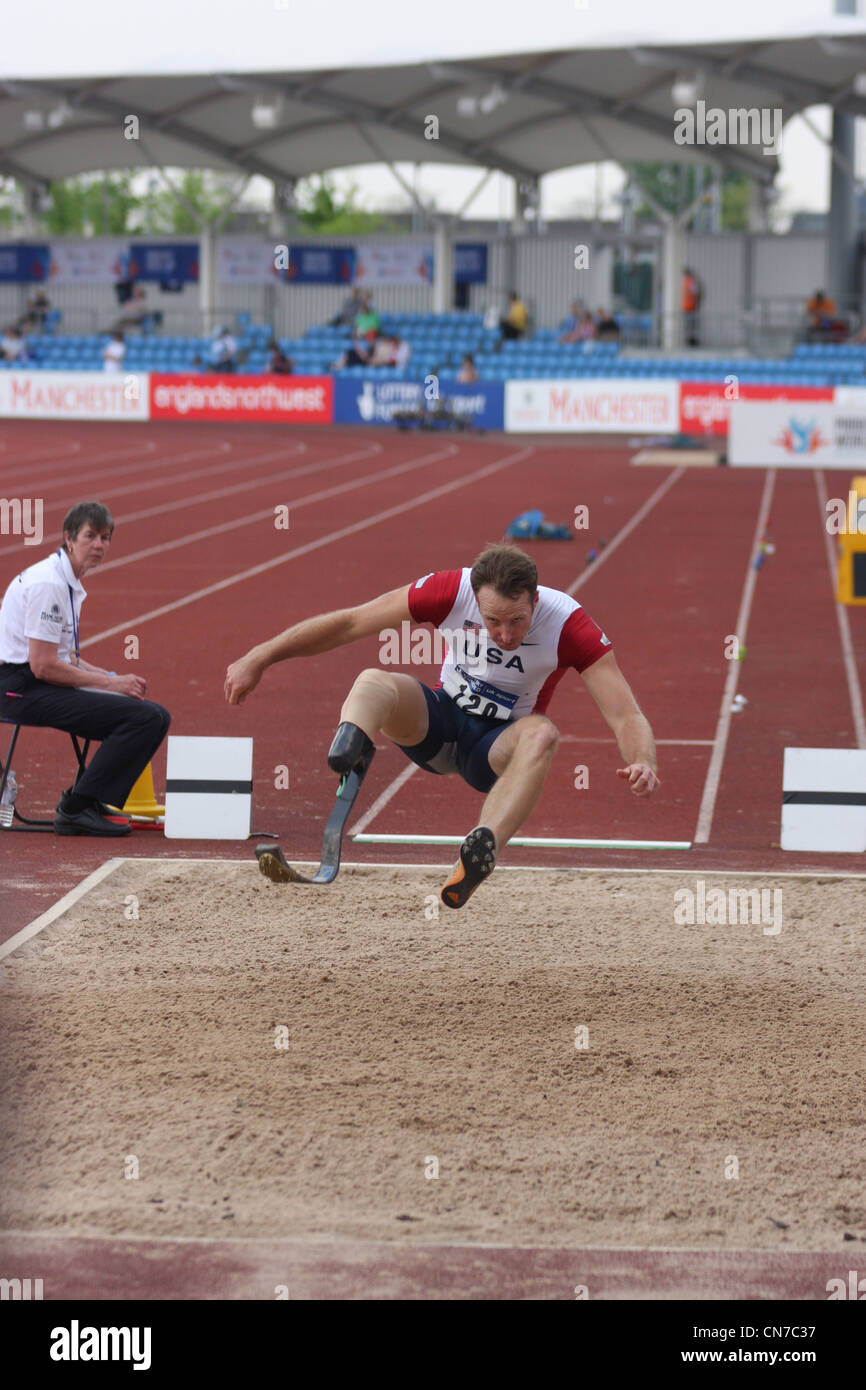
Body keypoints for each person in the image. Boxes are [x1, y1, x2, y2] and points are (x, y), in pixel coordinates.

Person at [224, 544, 659, 909]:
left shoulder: (568, 624)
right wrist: (260, 656)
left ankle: (480, 851)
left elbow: (625, 713)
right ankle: (350, 749)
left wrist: (641, 760)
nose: (505, 635)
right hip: (439, 723)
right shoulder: (450, 591)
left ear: (535, 602)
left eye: (517, 621)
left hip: (493, 749)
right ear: (474, 598)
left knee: (543, 733)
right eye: (492, 621)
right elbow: (352, 622)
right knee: (374, 681)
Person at [0, 502, 170, 837]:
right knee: (144, 718)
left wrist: (110, 678)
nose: (98, 545)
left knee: (155, 715)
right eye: (90, 536)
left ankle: (89, 800)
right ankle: (77, 808)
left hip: (33, 682)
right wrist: (110, 685)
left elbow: (68, 659)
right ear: (68, 538)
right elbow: (44, 665)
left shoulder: (66, 581)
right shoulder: (49, 584)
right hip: (18, 689)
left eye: (105, 538)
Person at [682, 268, 701, 347]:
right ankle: (690, 341)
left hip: (691, 307)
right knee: (690, 325)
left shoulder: (690, 282)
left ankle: (692, 342)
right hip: (689, 306)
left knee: (691, 325)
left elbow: (695, 293)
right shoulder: (689, 282)